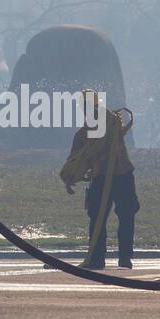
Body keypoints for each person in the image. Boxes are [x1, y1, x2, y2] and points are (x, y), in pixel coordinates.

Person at [58, 90, 138, 269]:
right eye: (85, 107)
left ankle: (125, 258)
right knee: (97, 218)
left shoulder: (111, 122)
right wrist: (69, 178)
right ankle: (96, 258)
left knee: (126, 216)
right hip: (101, 178)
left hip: (122, 175)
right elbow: (75, 159)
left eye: (92, 106)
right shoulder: (83, 134)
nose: (90, 110)